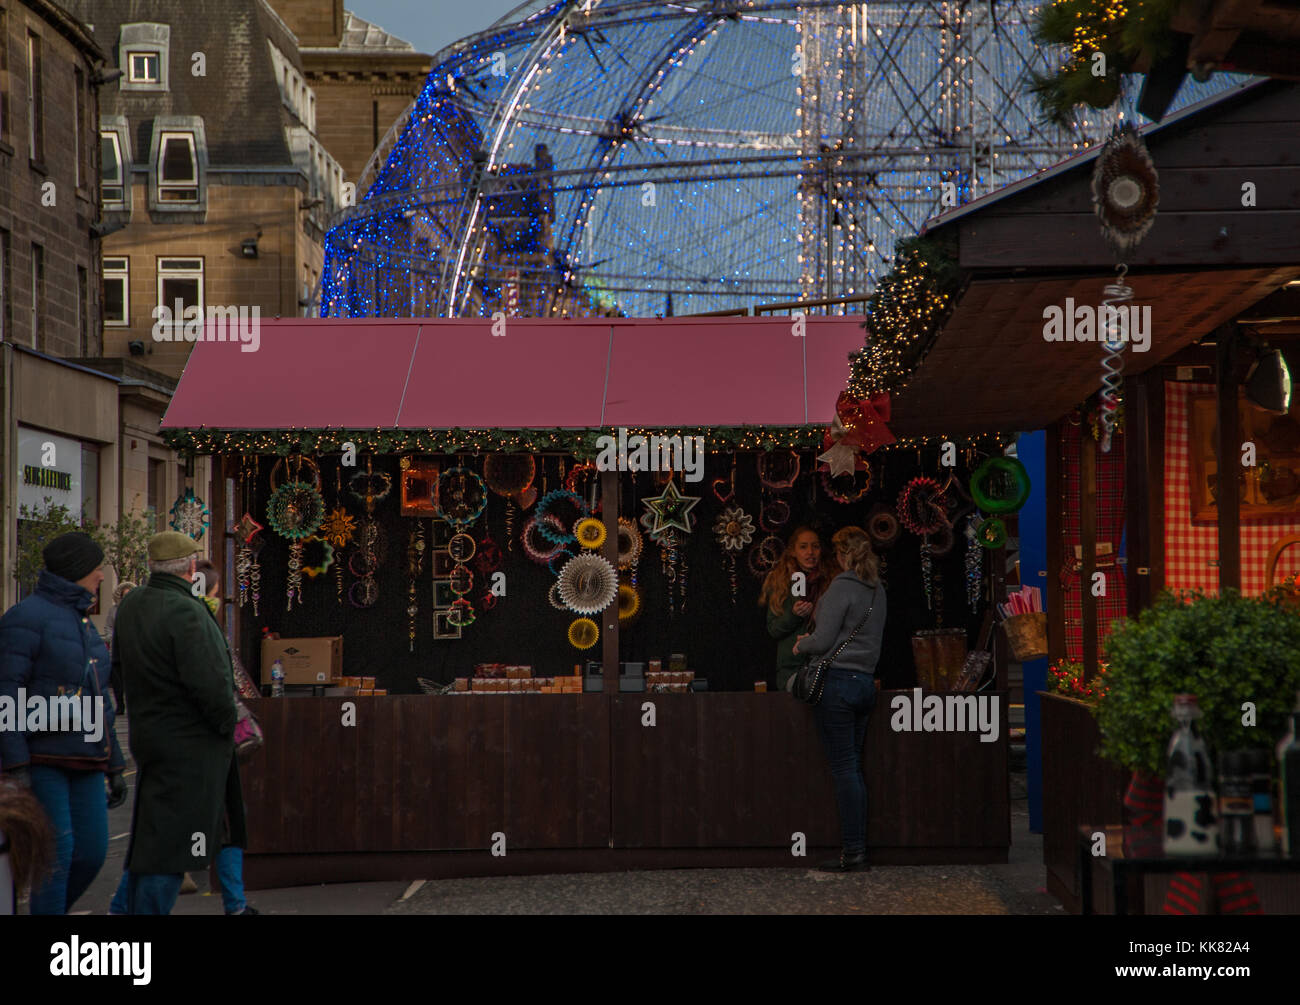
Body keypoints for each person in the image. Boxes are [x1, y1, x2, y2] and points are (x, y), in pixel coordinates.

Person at [0, 531, 127, 913]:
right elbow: (5, 691)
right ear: (76, 569)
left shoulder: (84, 622)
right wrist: (16, 763)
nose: (101, 575)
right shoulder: (25, 619)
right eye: (95, 567)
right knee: (56, 856)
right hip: (42, 759)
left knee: (91, 852)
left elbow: (100, 699)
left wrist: (115, 764)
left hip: (86, 758)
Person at [112, 532, 238, 915]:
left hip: (150, 738)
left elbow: (117, 668)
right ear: (192, 567)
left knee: (152, 839)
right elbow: (212, 684)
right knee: (172, 846)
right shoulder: (187, 611)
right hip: (190, 746)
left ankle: (123, 913)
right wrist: (228, 725)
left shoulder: (133, 605)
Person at [792, 526, 886, 873]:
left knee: (844, 770)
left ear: (842, 555)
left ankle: (854, 853)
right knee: (855, 768)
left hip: (838, 686)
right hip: (864, 684)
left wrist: (803, 643)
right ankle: (857, 849)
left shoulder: (839, 589)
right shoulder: (879, 591)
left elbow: (823, 639)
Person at [758, 526, 837, 692]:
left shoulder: (832, 580)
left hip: (827, 666)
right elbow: (773, 629)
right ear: (793, 551)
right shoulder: (781, 582)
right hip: (793, 669)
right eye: (803, 547)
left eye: (815, 546)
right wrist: (793, 615)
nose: (810, 552)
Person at [103, 581, 135, 713]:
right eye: (124, 595)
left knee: (132, 681)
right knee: (117, 681)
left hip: (132, 650)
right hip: (116, 650)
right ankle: (120, 705)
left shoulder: (137, 609)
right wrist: (112, 638)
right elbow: (108, 627)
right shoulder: (114, 610)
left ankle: (132, 705)